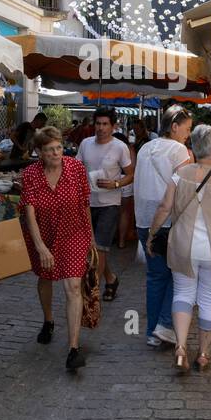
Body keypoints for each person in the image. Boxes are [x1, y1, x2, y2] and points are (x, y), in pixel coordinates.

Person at [148, 124, 211, 373]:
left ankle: (181, 347)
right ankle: (203, 354)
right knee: (210, 299)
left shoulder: (179, 175)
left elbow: (164, 208)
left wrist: (152, 233)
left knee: (182, 294)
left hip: (184, 247)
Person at [20, 126, 93, 370]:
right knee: (45, 277)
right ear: (39, 152)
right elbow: (28, 211)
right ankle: (48, 320)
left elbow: (85, 204)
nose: (56, 153)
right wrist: (41, 247)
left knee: (73, 286)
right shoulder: (30, 174)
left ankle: (73, 348)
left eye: (59, 148)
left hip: (74, 232)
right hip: (43, 233)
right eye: (50, 150)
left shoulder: (76, 168)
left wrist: (90, 238)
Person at [133, 107, 193, 347]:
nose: (188, 134)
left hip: (143, 220)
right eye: (187, 129)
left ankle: (152, 332)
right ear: (174, 126)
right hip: (167, 220)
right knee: (180, 275)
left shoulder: (146, 147)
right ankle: (166, 325)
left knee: (155, 276)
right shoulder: (179, 150)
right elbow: (183, 188)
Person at [76, 107, 132, 301]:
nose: (100, 128)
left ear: (113, 126)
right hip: (87, 203)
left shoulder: (120, 147)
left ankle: (92, 293)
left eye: (105, 124)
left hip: (110, 203)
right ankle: (111, 278)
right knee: (98, 248)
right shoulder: (85, 144)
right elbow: (77, 168)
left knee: (99, 248)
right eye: (98, 123)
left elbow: (131, 174)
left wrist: (115, 183)